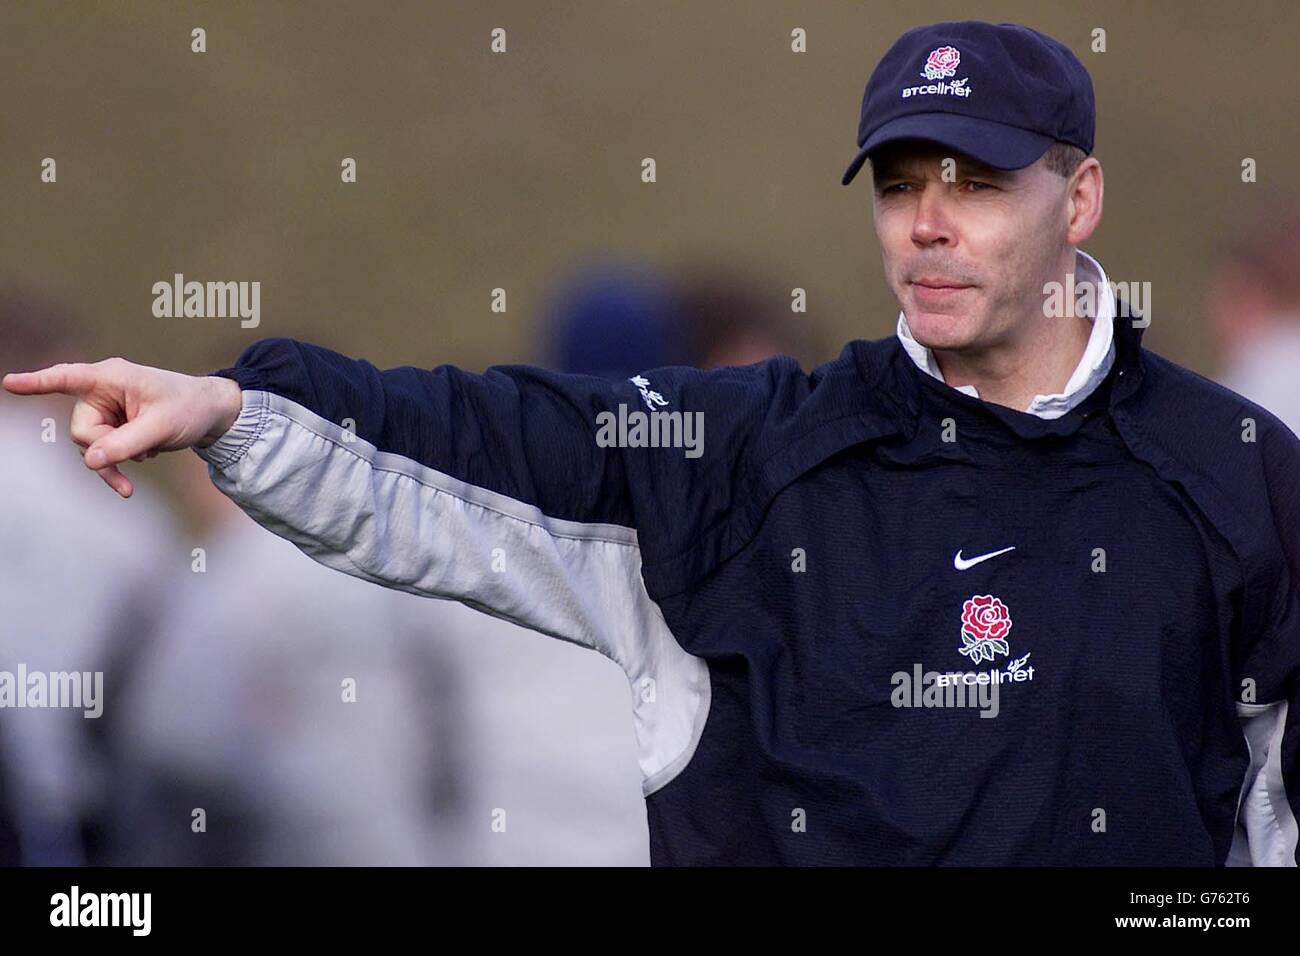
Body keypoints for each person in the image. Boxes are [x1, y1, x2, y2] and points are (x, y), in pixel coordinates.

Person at [4, 20, 1297, 866]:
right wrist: (243, 411)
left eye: (974, 182)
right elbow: (469, 436)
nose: (926, 225)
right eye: (901, 184)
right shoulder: (747, 462)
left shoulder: (1240, 471)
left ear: (1079, 197)